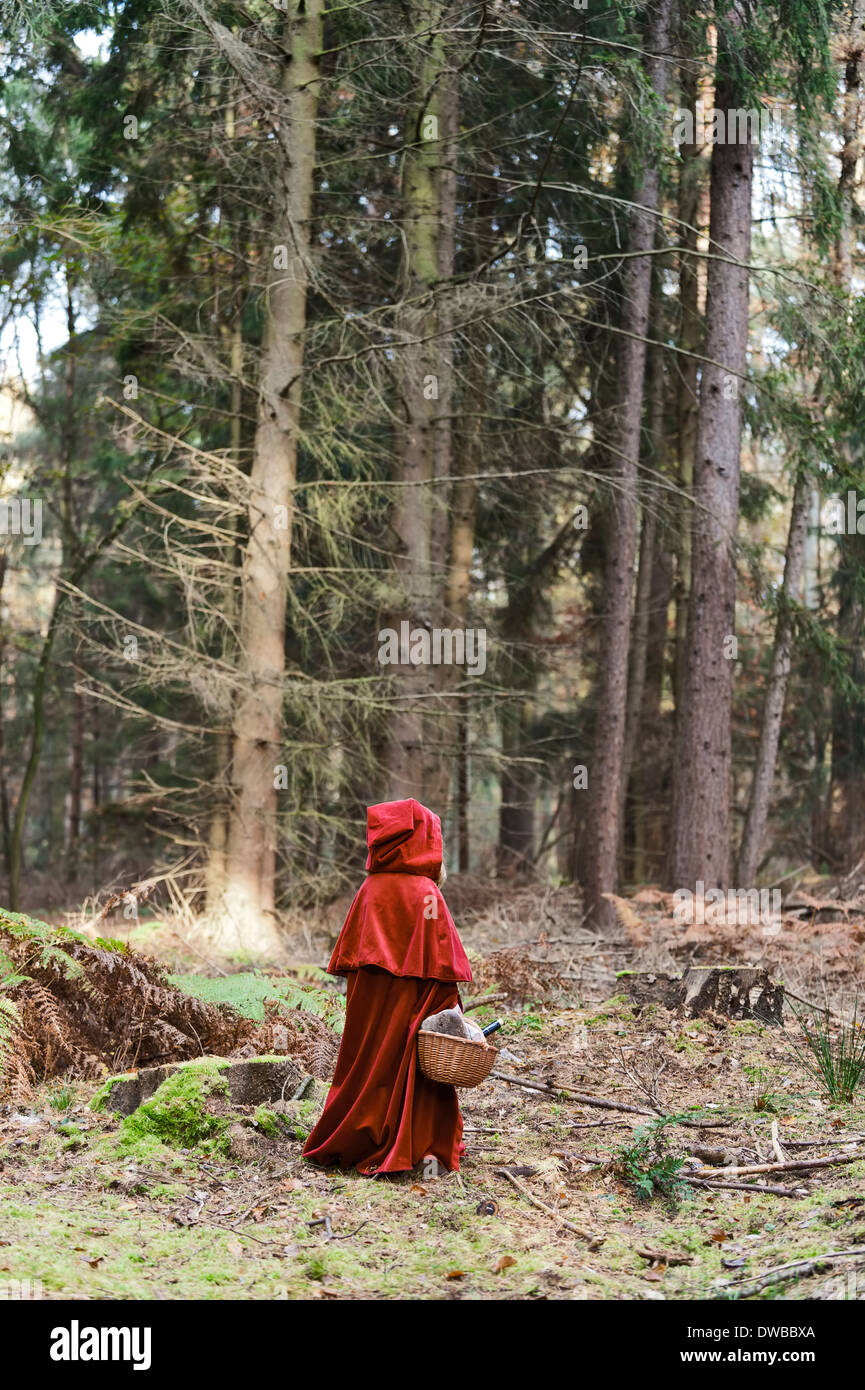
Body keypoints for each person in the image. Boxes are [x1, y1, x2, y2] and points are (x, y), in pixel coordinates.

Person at [302, 798, 472, 1175]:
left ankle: (356, 1136)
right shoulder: (425, 892)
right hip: (415, 1000)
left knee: (366, 1061)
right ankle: (415, 1144)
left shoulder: (370, 890)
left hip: (369, 998)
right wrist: (451, 1011)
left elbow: (355, 961)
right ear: (426, 841)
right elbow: (443, 969)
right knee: (412, 1066)